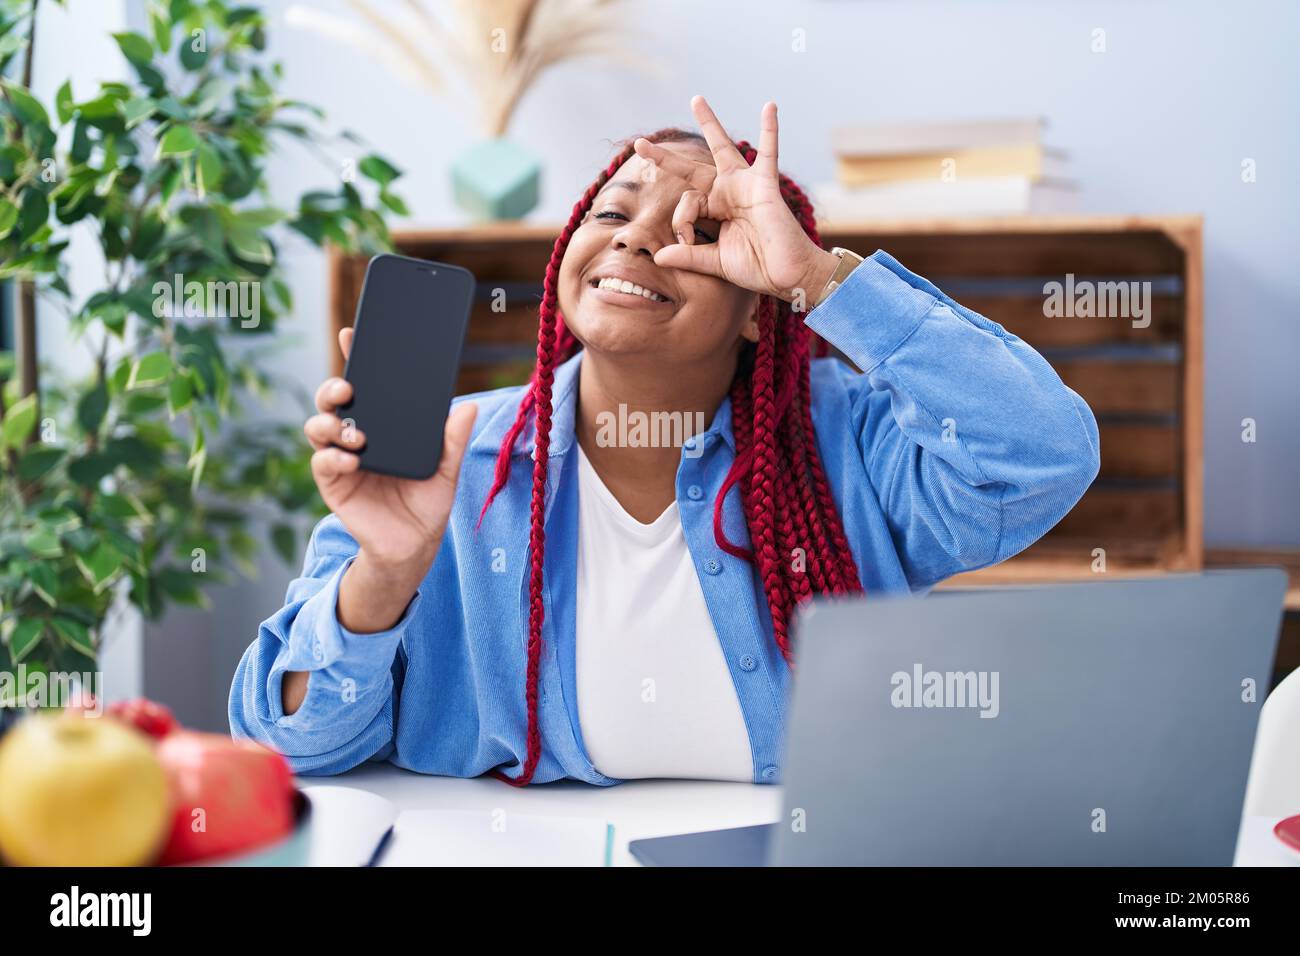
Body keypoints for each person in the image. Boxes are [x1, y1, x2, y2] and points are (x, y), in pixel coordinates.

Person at [229, 96, 1100, 786]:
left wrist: (819, 278)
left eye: (702, 231)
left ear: (760, 306)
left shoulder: (851, 446)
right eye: (612, 211)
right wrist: (384, 573)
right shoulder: (454, 458)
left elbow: (1042, 453)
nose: (639, 235)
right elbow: (290, 743)